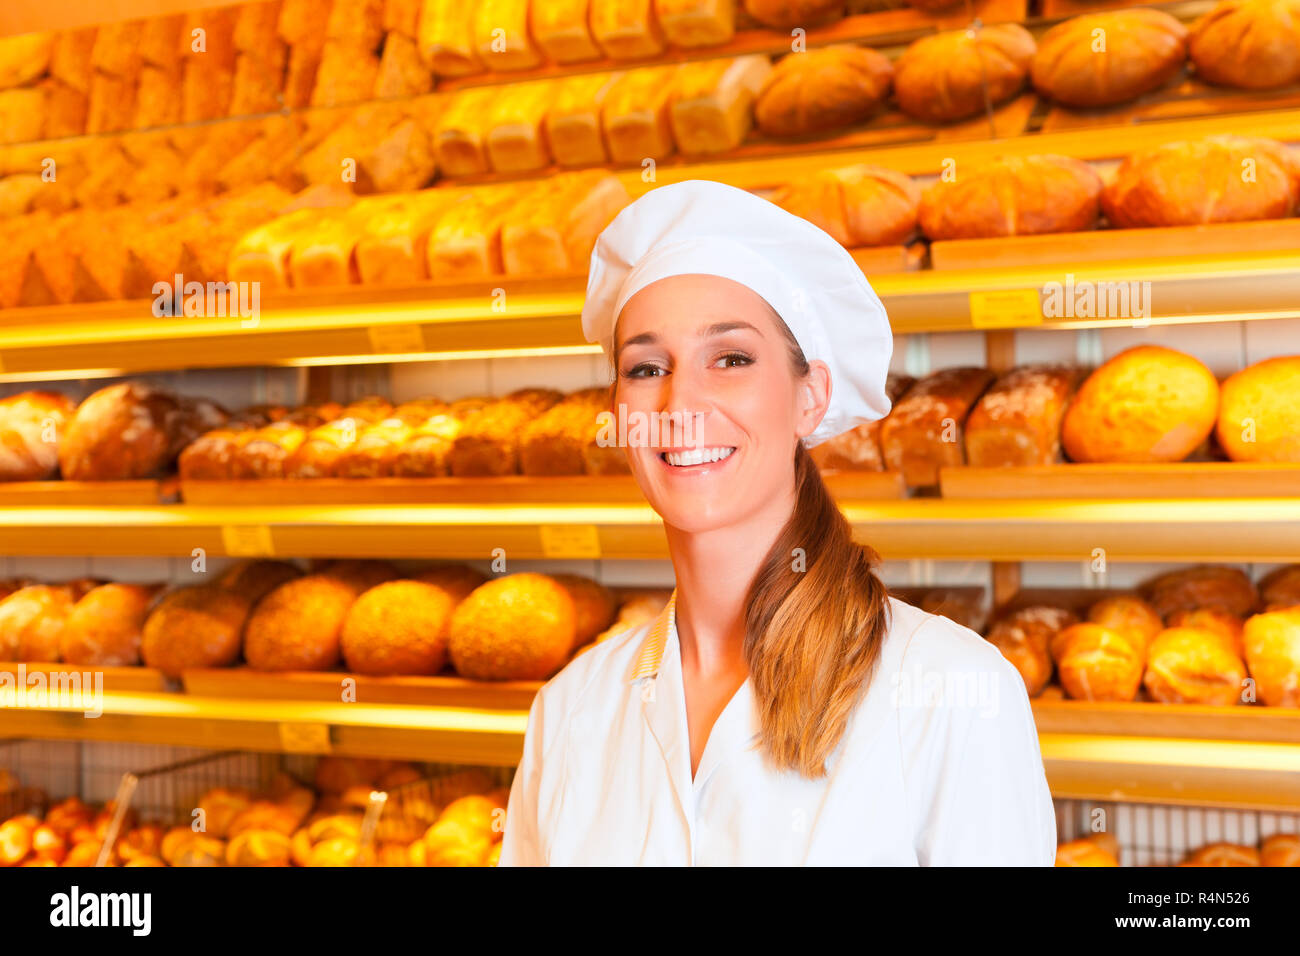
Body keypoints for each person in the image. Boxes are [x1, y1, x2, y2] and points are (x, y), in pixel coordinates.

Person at [498, 179, 1056, 866]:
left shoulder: (949, 691)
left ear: (809, 398)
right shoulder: (571, 709)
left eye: (730, 358)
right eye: (646, 367)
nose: (681, 401)